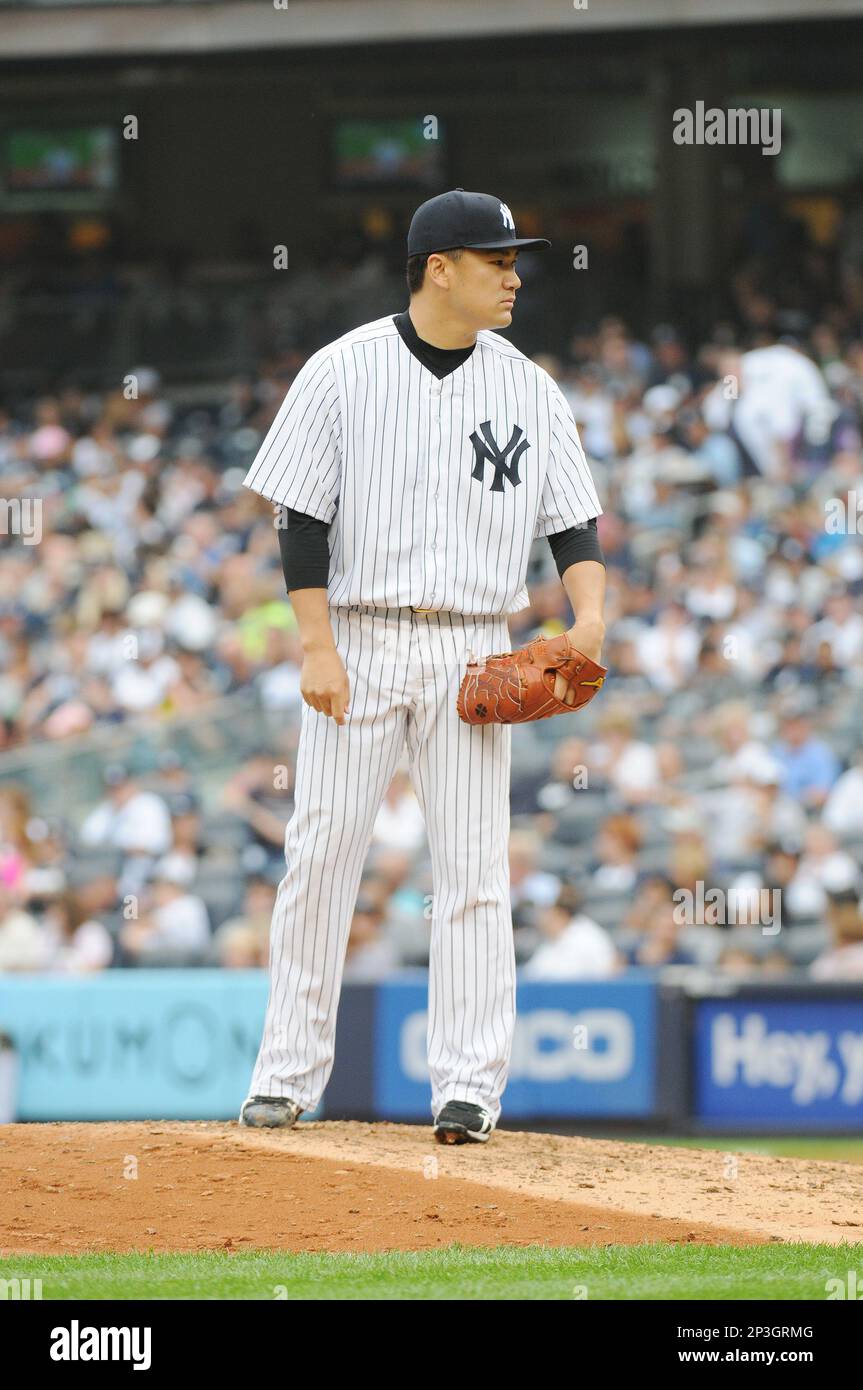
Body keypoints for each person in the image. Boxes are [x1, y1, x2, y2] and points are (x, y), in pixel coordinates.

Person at [238, 189, 605, 1144]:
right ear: (438, 268)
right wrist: (316, 645)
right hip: (356, 633)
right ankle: (284, 1076)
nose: (515, 275)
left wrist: (592, 615)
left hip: (474, 642)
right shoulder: (342, 369)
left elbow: (573, 520)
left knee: (476, 871)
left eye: (514, 259)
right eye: (496, 261)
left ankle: (469, 1088)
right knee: (320, 857)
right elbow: (299, 518)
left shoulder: (526, 383)